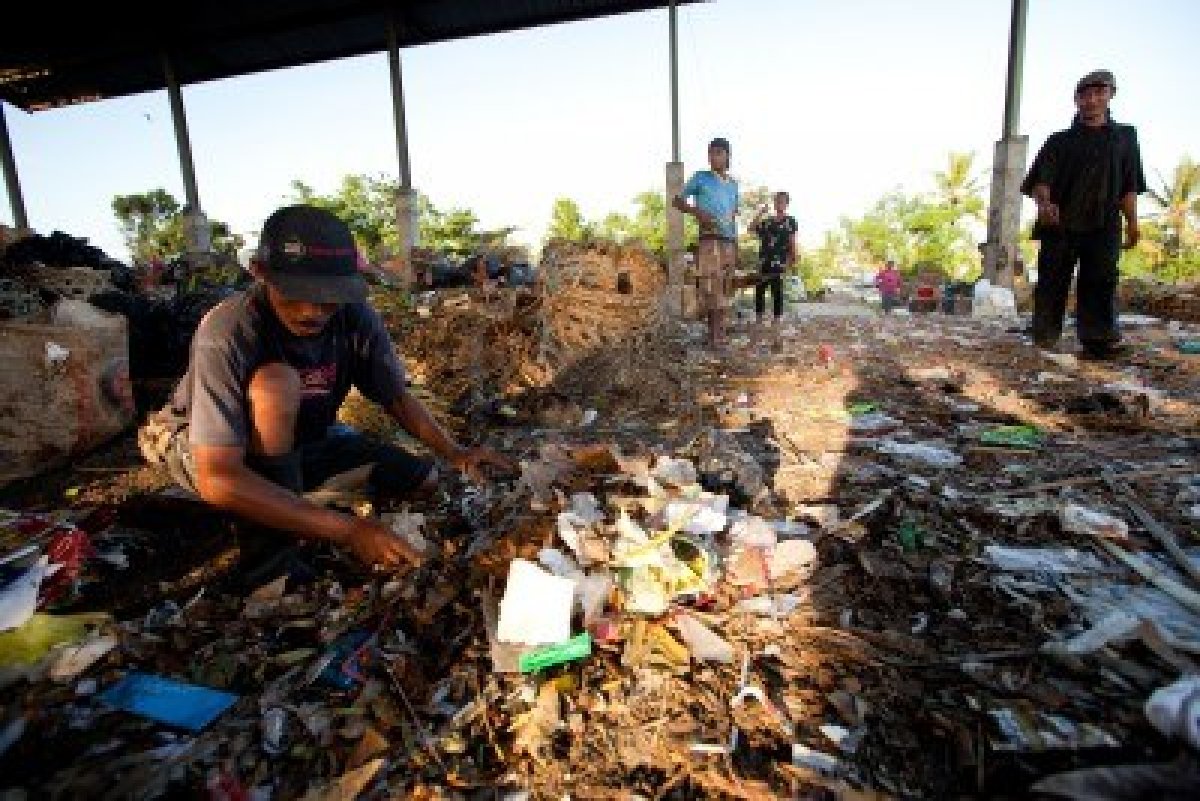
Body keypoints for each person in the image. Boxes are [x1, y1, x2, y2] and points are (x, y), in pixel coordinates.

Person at [139, 205, 510, 570]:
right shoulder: (228, 330)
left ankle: (292, 497)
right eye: (295, 295)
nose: (311, 311)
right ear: (259, 272)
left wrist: (455, 452)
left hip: (308, 437)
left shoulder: (355, 318)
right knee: (276, 385)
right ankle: (272, 559)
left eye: (326, 299)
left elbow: (396, 397)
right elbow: (218, 476)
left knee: (423, 480)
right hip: (210, 449)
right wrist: (348, 530)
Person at [1020, 69, 1146, 359]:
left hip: (1105, 224)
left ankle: (1099, 340)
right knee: (1052, 281)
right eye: (1085, 95)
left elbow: (1129, 184)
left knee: (1101, 280)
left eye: (1098, 93)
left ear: (1111, 95)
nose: (1091, 100)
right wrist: (1044, 204)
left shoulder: (1125, 137)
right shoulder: (1059, 141)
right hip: (1060, 224)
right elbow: (1041, 182)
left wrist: (1133, 223)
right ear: (1076, 100)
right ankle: (1045, 337)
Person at [673, 137, 739, 349]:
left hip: (728, 241)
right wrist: (696, 211)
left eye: (719, 152)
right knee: (711, 287)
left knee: (725, 287)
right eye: (711, 153)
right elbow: (677, 201)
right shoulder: (701, 178)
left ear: (728, 155)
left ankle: (720, 333)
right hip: (708, 240)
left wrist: (737, 246)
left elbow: (733, 216)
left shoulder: (733, 185)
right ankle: (712, 336)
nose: (714, 157)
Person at [749, 191, 799, 326]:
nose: (779, 203)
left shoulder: (791, 221)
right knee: (759, 289)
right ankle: (759, 318)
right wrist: (760, 212)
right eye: (777, 201)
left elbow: (792, 242)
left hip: (780, 262)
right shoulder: (767, 222)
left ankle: (776, 319)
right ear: (774, 203)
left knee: (777, 291)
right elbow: (751, 228)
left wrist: (793, 260)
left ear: (787, 204)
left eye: (782, 201)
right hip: (763, 260)